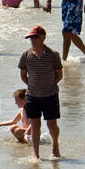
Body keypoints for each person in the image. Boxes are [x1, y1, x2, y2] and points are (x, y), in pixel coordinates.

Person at [18, 25, 63, 160]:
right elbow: (23, 75)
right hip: (32, 96)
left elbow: (59, 75)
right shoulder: (26, 55)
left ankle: (55, 145)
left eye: (36, 37)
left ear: (43, 38)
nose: (33, 40)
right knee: (35, 125)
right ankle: (36, 154)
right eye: (31, 38)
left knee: (52, 125)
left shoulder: (53, 55)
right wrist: (32, 85)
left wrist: (48, 85)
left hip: (50, 95)